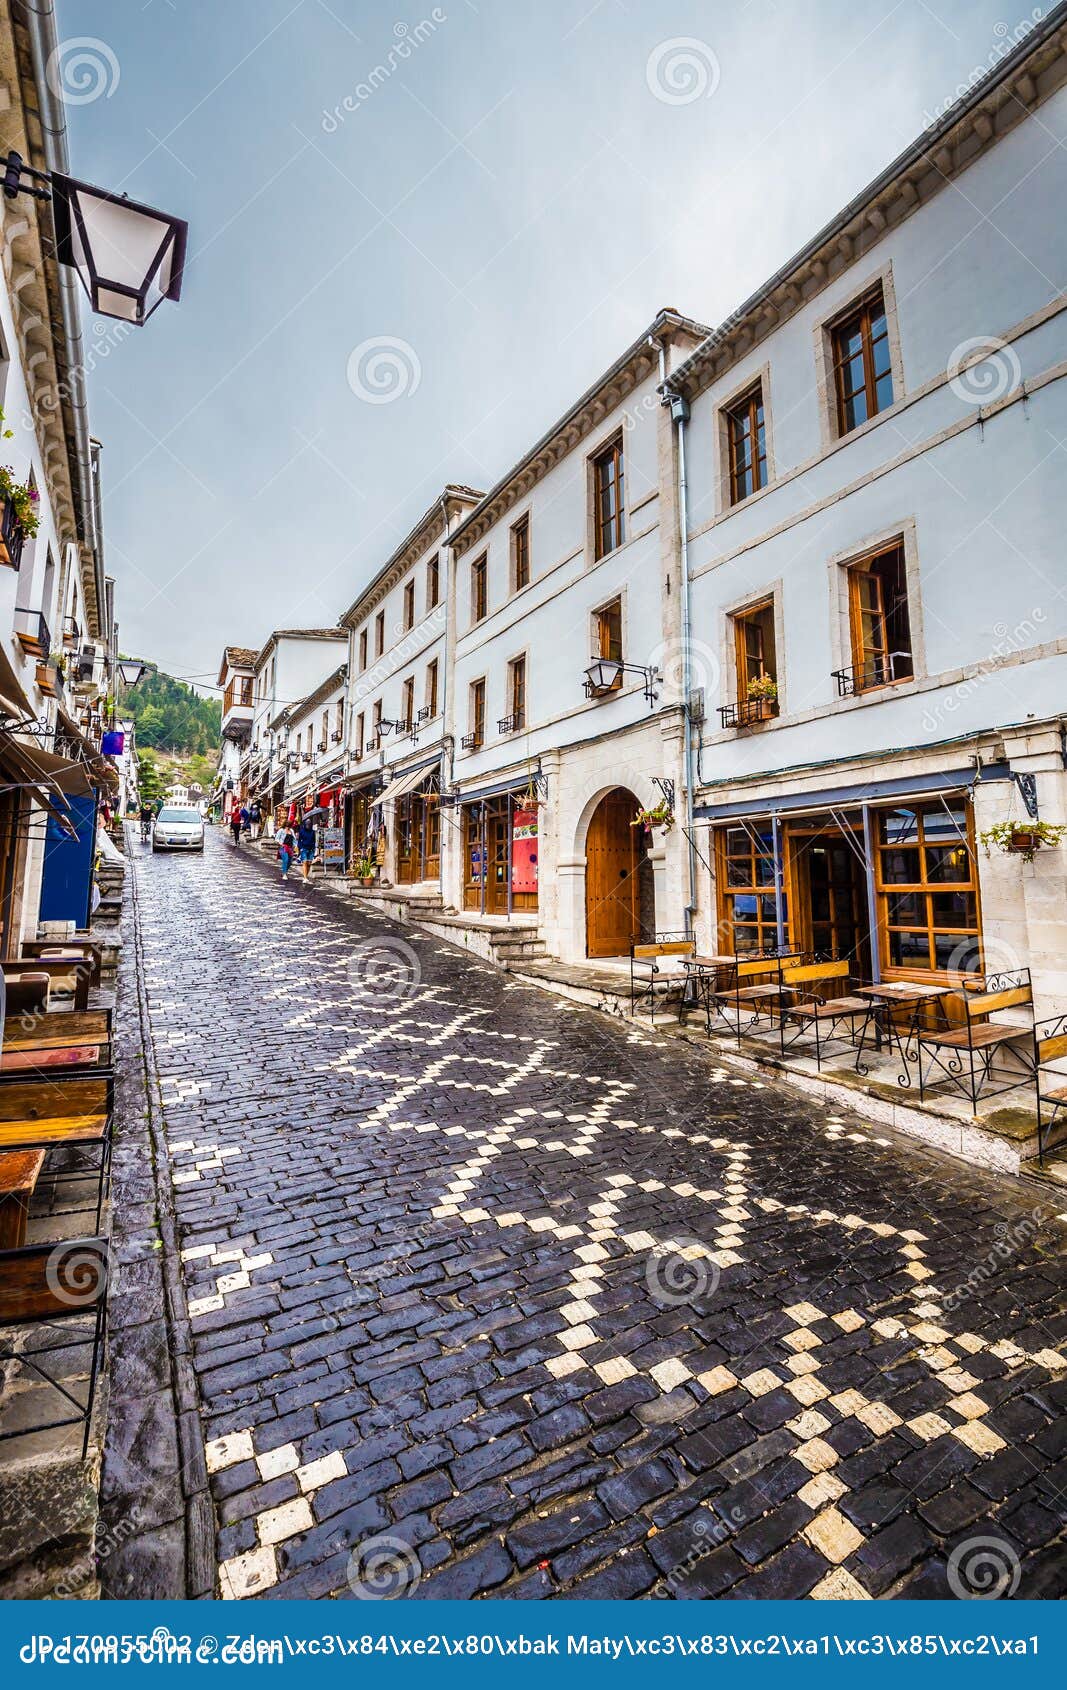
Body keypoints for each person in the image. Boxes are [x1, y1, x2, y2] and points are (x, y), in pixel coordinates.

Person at [296, 815, 317, 881]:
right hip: (304, 848)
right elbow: (299, 840)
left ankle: (306, 876)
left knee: (309, 864)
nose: (308, 825)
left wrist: (314, 848)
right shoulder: (302, 831)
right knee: (304, 862)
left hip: (311, 849)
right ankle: (305, 878)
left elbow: (314, 840)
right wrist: (300, 848)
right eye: (307, 824)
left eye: (309, 824)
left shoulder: (313, 832)